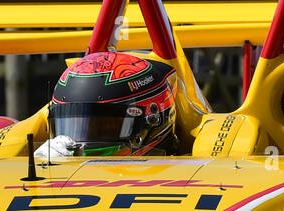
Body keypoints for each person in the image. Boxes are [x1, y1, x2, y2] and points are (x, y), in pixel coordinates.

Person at [39, 52, 179, 160]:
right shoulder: (55, 153)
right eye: (71, 129)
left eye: (104, 128)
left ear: (153, 119)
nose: (82, 147)